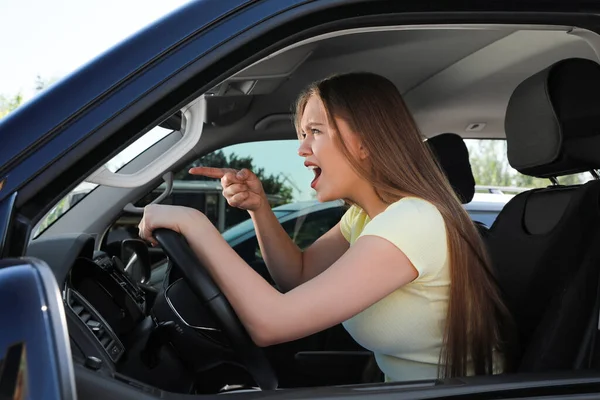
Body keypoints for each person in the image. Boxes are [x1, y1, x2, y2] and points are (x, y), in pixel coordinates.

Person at [138, 72, 514, 382]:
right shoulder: (366, 217)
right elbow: (297, 277)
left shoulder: (414, 220)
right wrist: (259, 209)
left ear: (365, 141)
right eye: (302, 134)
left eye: (314, 131)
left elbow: (271, 322)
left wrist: (194, 223)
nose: (301, 149)